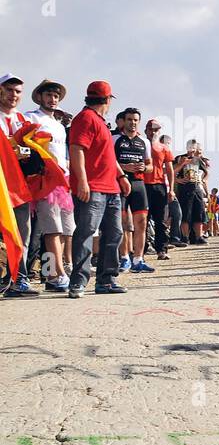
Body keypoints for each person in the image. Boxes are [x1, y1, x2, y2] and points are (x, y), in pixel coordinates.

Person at [67, 80, 130, 298]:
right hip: (93, 188)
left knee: (114, 233)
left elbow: (108, 156)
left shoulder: (101, 122)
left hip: (111, 188)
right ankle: (78, 281)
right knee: (85, 233)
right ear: (107, 99)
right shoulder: (85, 118)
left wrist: (121, 176)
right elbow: (76, 149)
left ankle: (106, 279)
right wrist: (82, 181)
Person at [25, 79, 75, 289]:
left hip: (62, 180)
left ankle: (52, 273)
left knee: (65, 229)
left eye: (55, 96)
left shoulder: (59, 125)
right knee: (51, 228)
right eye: (48, 95)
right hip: (44, 179)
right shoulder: (31, 118)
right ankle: (57, 274)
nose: (52, 99)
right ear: (40, 97)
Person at [0, 72, 40, 297]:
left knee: (22, 234)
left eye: (17, 92)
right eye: (9, 90)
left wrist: (27, 152)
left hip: (19, 186)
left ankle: (18, 279)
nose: (13, 95)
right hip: (1, 182)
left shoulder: (25, 120)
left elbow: (35, 149)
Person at [114, 109, 154, 273]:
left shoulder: (144, 141)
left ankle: (138, 259)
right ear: (123, 121)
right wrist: (124, 167)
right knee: (123, 223)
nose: (133, 123)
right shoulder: (114, 138)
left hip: (138, 183)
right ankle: (124, 258)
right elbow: (108, 162)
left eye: (136, 120)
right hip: (120, 183)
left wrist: (145, 167)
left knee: (142, 222)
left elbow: (151, 166)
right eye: (129, 119)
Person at [142, 119, 175, 262]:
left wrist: (171, 189)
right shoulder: (140, 144)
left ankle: (161, 249)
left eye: (156, 130)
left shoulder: (163, 148)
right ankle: (140, 251)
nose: (153, 132)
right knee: (142, 220)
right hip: (142, 185)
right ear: (146, 130)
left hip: (159, 186)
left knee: (160, 220)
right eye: (150, 129)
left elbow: (169, 169)